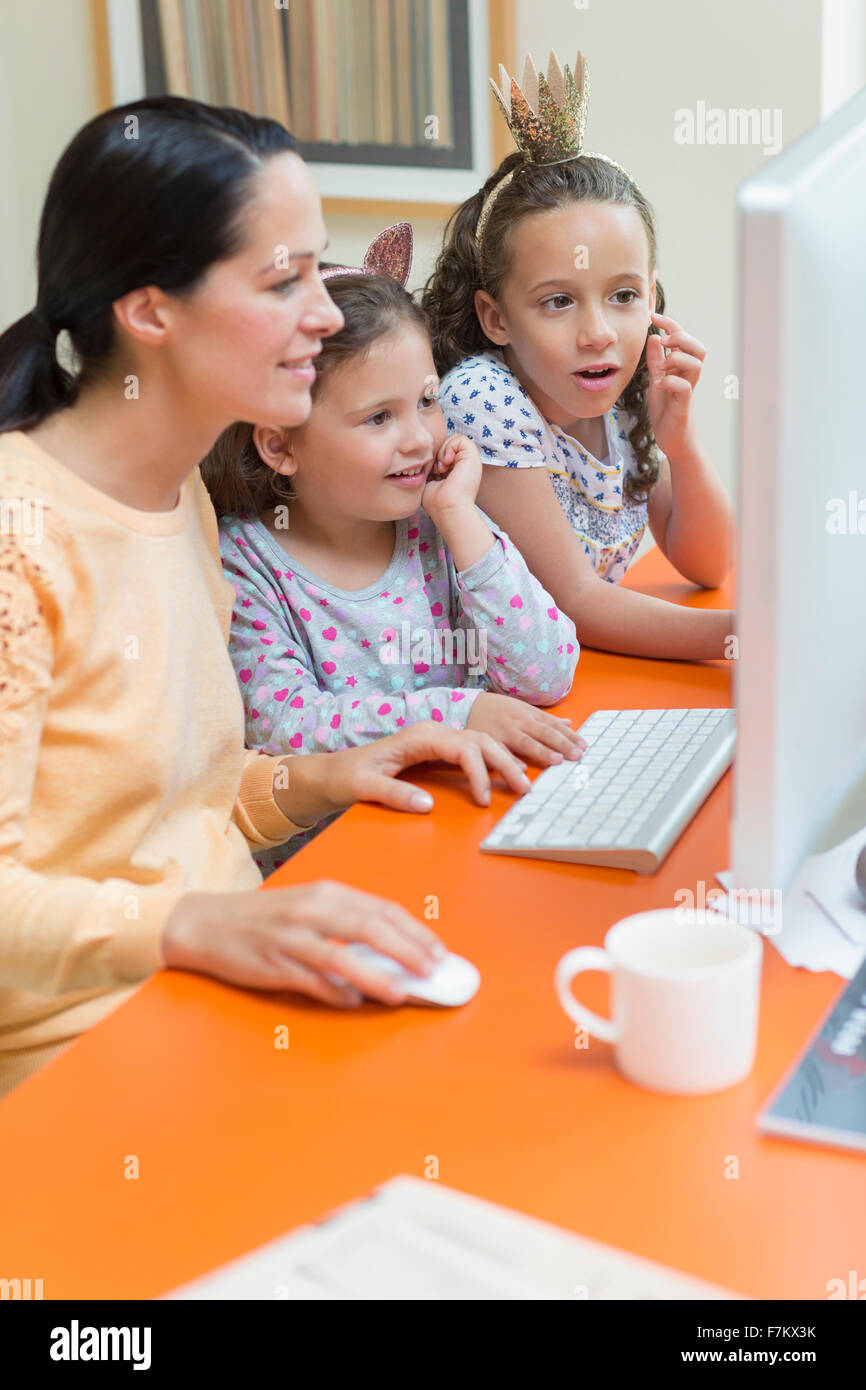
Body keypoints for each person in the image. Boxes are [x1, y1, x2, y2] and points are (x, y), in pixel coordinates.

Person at [0, 96, 531, 1097]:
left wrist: (330, 774)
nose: (327, 313)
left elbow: (179, 813)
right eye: (284, 280)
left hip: (215, 986)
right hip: (85, 1058)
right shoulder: (20, 539)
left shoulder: (178, 502)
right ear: (150, 310)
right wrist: (201, 924)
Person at [200, 225, 584, 868]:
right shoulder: (247, 563)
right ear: (280, 445)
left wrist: (463, 519)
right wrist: (459, 712)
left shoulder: (437, 523)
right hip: (344, 873)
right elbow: (290, 731)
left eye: (427, 402)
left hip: (465, 833)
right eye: (379, 417)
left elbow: (547, 671)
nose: (418, 439)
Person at [421, 51, 735, 661]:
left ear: (652, 295)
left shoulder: (617, 393)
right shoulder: (484, 399)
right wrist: (747, 636)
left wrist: (683, 446)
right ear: (495, 317)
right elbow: (575, 601)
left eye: (623, 295)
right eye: (558, 301)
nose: (599, 334)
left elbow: (708, 564)